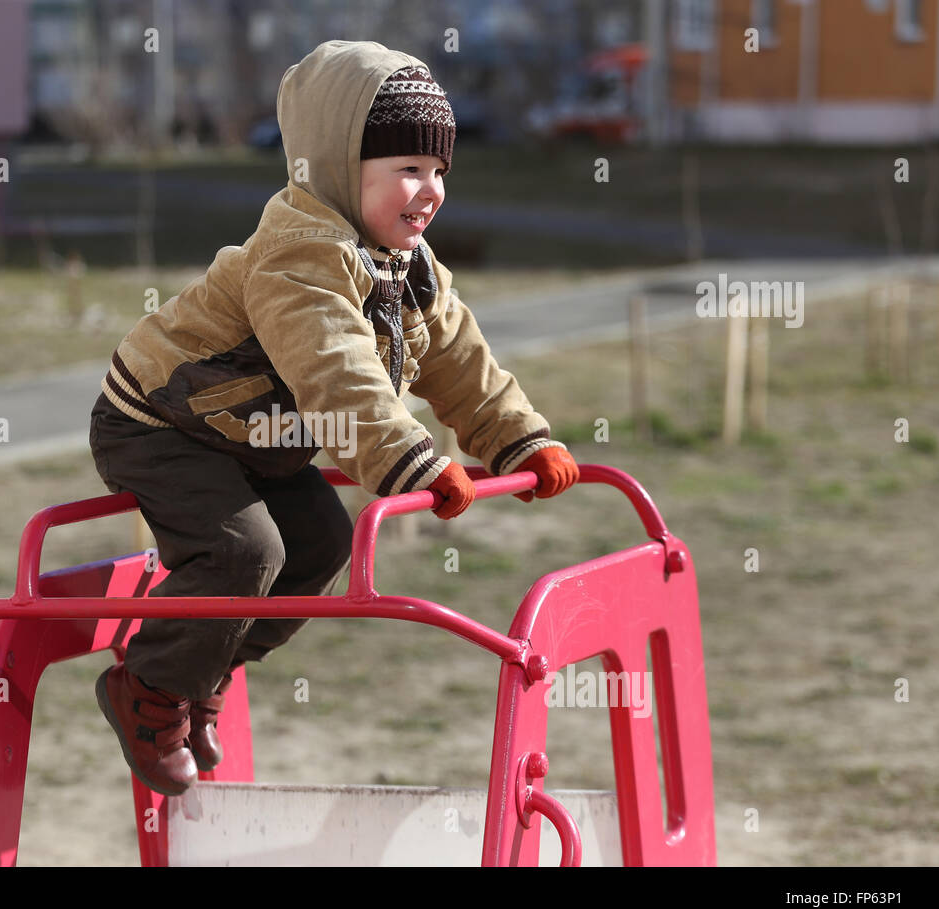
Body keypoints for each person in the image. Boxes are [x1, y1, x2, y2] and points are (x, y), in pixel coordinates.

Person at [89, 40, 579, 796]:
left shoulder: (407, 262)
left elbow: (458, 358)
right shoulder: (299, 254)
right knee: (242, 553)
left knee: (319, 545)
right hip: (163, 422)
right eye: (408, 170)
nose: (431, 189)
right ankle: (148, 690)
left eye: (440, 169)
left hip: (257, 440)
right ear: (335, 171)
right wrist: (409, 458)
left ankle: (201, 674)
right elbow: (335, 370)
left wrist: (518, 437)